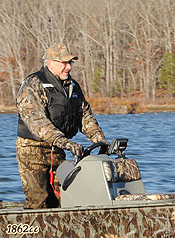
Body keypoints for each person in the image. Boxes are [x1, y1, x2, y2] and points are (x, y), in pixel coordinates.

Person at [15, 43, 108, 209]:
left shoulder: (73, 87)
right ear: (49, 62)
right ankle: (34, 232)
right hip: (32, 151)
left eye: (70, 63)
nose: (68, 67)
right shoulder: (33, 85)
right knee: (38, 201)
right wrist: (64, 142)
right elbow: (37, 122)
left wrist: (100, 140)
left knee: (67, 198)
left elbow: (85, 116)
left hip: (57, 152)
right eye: (64, 63)